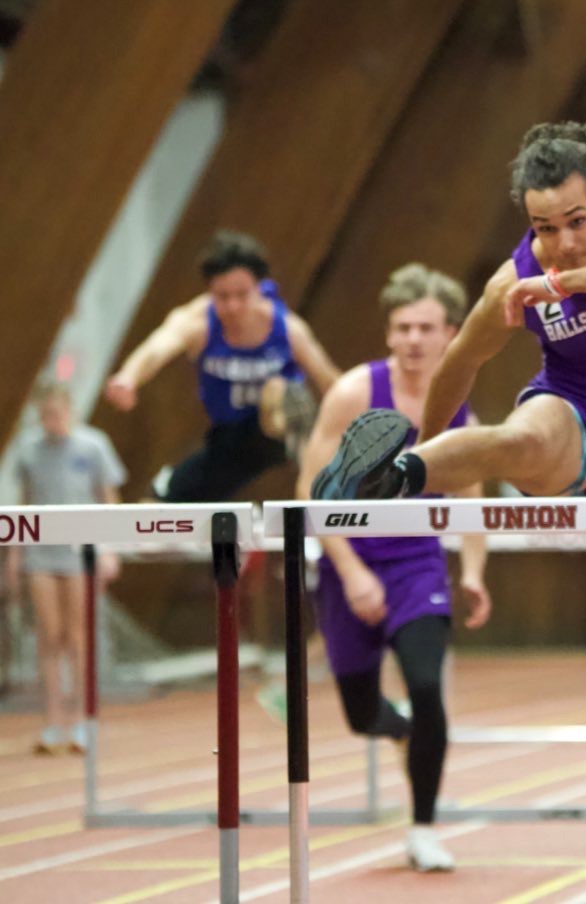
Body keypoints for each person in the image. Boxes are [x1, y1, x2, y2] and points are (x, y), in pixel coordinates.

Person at [311, 121, 586, 784]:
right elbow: (460, 361)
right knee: (523, 438)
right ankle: (393, 475)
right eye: (544, 228)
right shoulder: (514, 280)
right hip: (574, 416)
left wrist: (568, 285)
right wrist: (424, 448)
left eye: (576, 221)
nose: (562, 243)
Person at [297, 263, 491, 871]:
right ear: (388, 333)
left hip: (416, 563)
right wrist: (351, 571)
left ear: (450, 333)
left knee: (427, 688)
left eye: (425, 328)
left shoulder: (457, 404)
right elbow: (310, 491)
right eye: (402, 327)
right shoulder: (355, 394)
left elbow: (472, 498)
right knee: (361, 716)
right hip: (348, 559)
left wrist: (473, 572)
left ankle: (424, 829)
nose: (412, 339)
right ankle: (404, 731)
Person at [104, 230, 339, 501]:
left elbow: (331, 382)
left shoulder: (287, 328)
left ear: (260, 288)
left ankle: (309, 465)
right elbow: (157, 348)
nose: (233, 306)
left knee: (278, 390)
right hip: (228, 440)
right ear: (209, 292)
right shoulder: (198, 322)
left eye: (242, 295)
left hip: (276, 429)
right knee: (155, 503)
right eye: (222, 296)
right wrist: (129, 377)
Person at [5, 379, 125, 754]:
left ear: (69, 410)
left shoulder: (94, 446)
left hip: (80, 552)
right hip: (41, 553)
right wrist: (15, 554)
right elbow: (24, 504)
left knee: (77, 636)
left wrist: (109, 550)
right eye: (44, 416)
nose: (51, 422)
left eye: (56, 414)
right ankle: (53, 721)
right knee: (50, 635)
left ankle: (83, 720)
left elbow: (109, 500)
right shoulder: (29, 449)